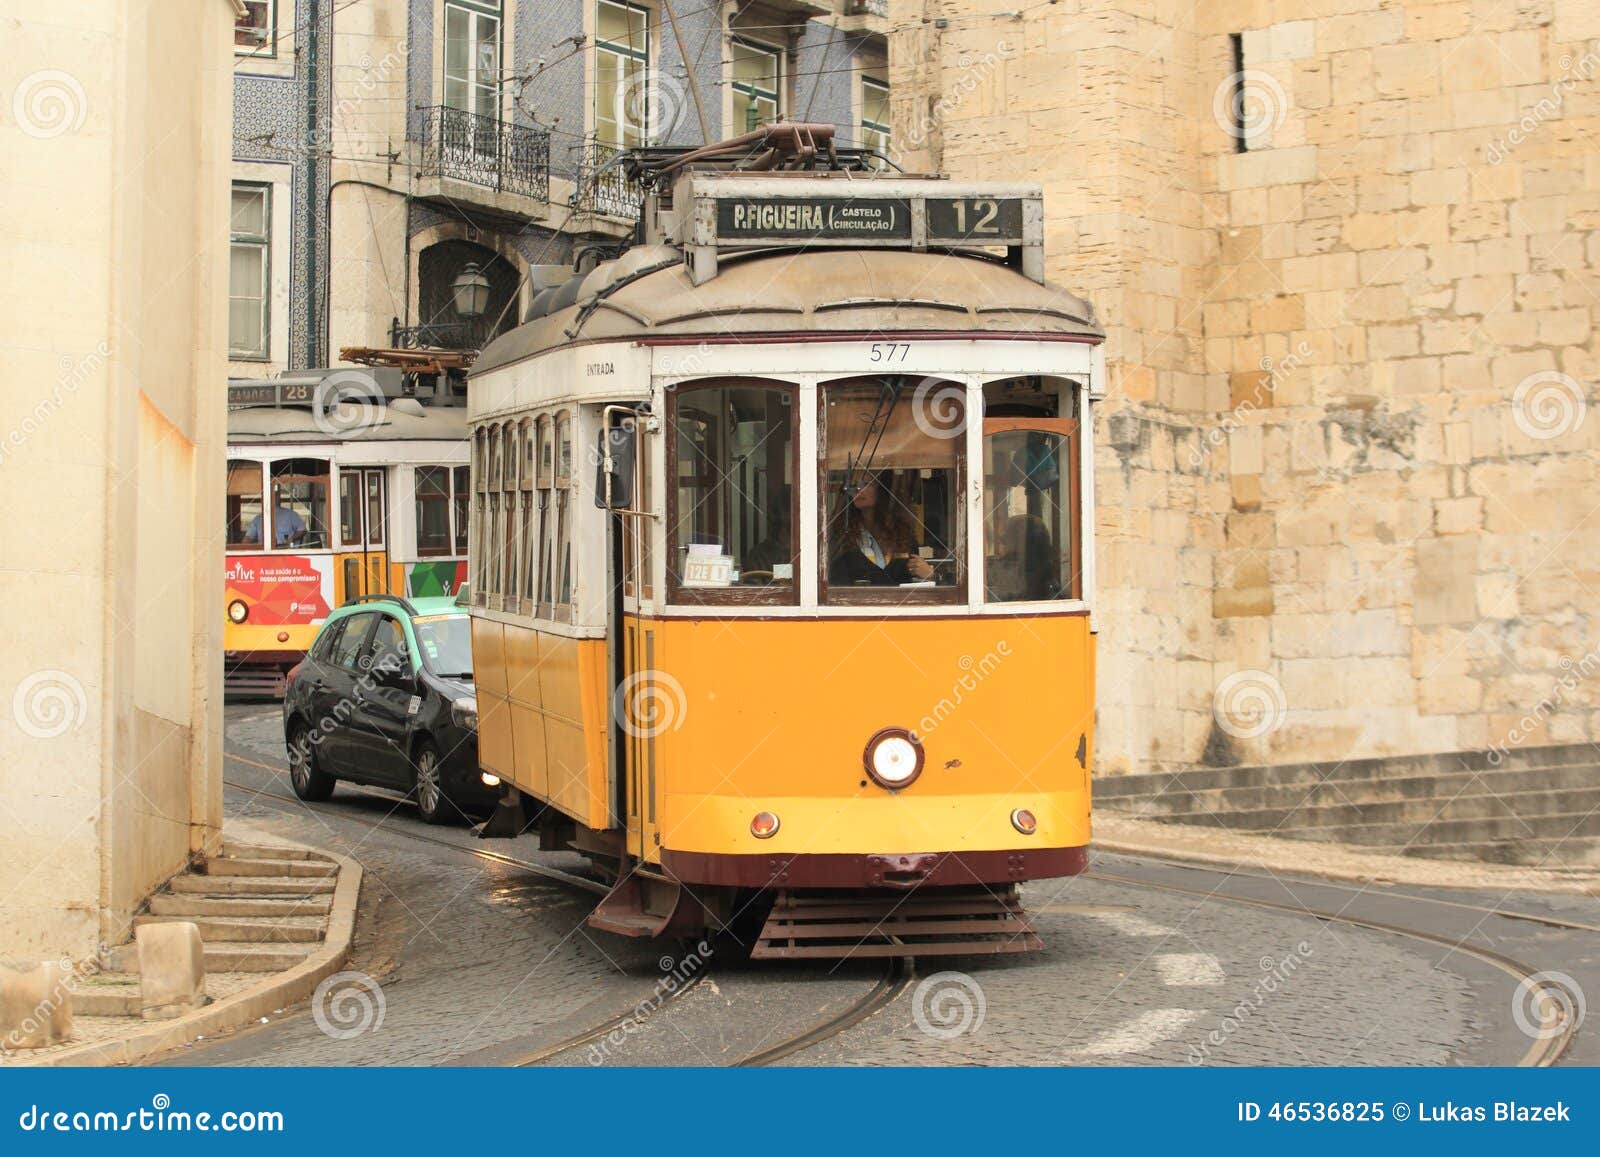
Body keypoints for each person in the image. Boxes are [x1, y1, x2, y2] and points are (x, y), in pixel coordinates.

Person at [828, 472, 935, 586]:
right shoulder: (843, 534)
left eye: (866, 483)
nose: (858, 490)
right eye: (853, 485)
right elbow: (835, 583)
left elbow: (914, 580)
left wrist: (929, 575)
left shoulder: (902, 533)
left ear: (884, 488)